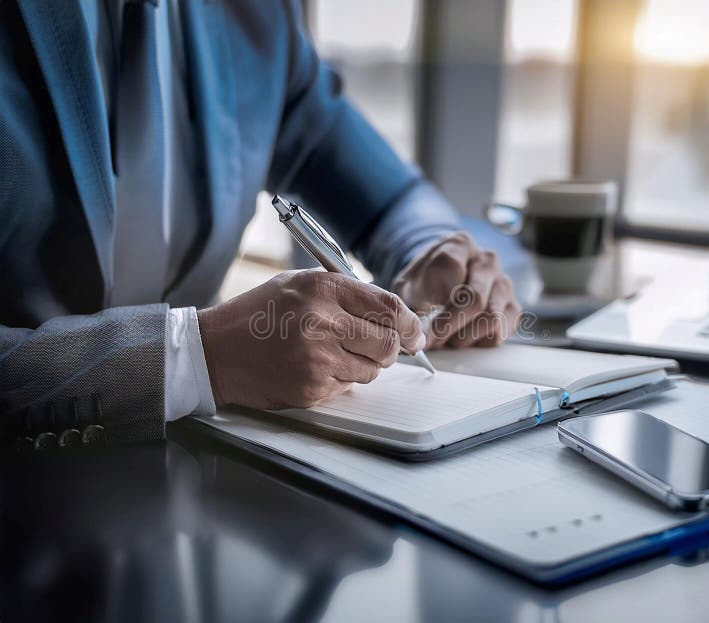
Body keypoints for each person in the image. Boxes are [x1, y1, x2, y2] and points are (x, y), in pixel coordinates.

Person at [0, 0, 520, 449]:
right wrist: (198, 356)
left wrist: (429, 250)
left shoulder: (256, 17)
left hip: (193, 502)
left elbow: (393, 198)